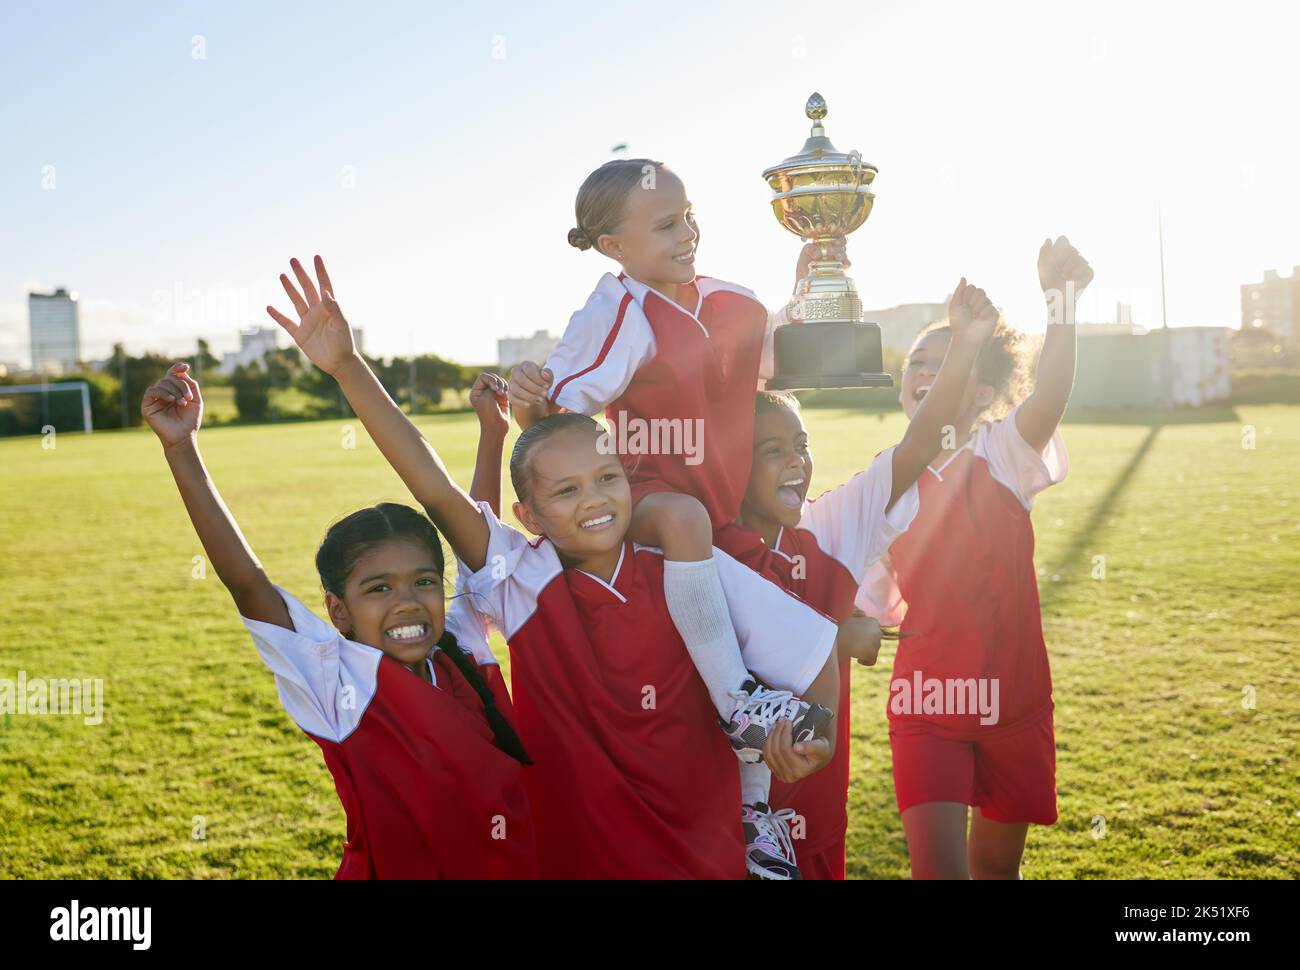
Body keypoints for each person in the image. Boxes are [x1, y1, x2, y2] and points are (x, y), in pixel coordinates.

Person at [265, 255, 842, 879]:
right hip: (583, 859)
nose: (594, 499)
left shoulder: (688, 569)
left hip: (710, 856)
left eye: (606, 478)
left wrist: (815, 745)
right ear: (527, 514)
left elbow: (813, 652)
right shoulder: (520, 580)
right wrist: (349, 367)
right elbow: (433, 486)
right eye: (565, 491)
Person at [142, 361, 537, 879]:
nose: (407, 602)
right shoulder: (336, 679)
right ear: (337, 610)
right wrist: (181, 447)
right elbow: (248, 583)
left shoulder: (460, 643)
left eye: (423, 581)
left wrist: (493, 433)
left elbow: (476, 534)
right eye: (378, 589)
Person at [859, 236, 1093, 879]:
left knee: (996, 872)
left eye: (946, 362)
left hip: (1013, 703)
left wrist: (1062, 303)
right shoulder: (886, 483)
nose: (925, 374)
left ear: (982, 389)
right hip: (926, 702)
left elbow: (1050, 393)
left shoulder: (1002, 454)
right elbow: (865, 605)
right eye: (918, 362)